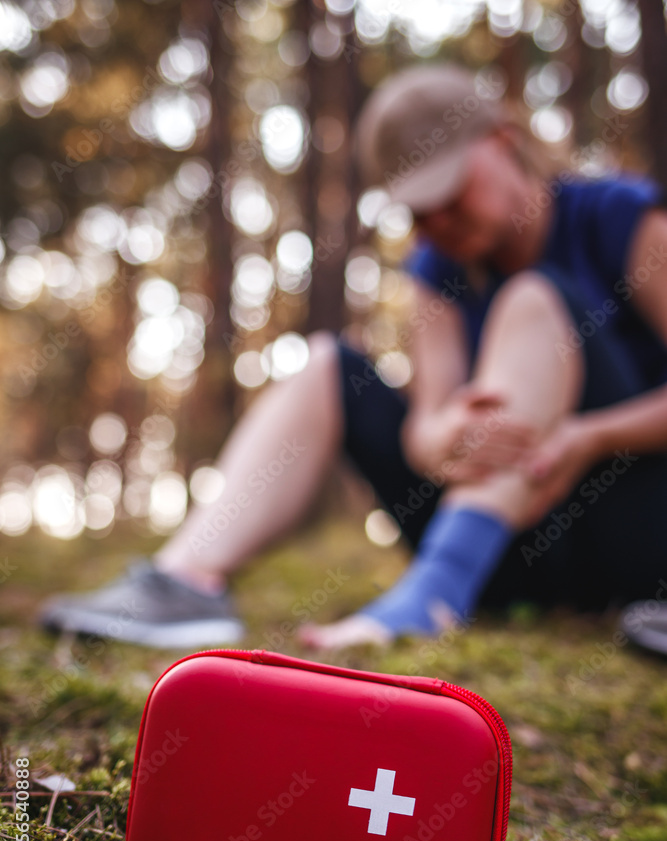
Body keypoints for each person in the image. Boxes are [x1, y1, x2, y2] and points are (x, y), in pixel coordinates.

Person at [39, 62, 667, 652]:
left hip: (625, 533)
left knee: (534, 297)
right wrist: (447, 434)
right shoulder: (435, 272)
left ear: (503, 141)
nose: (438, 222)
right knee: (324, 364)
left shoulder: (622, 219)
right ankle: (185, 582)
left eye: (452, 193)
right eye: (418, 210)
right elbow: (425, 427)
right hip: (507, 562)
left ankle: (432, 591)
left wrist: (588, 438)